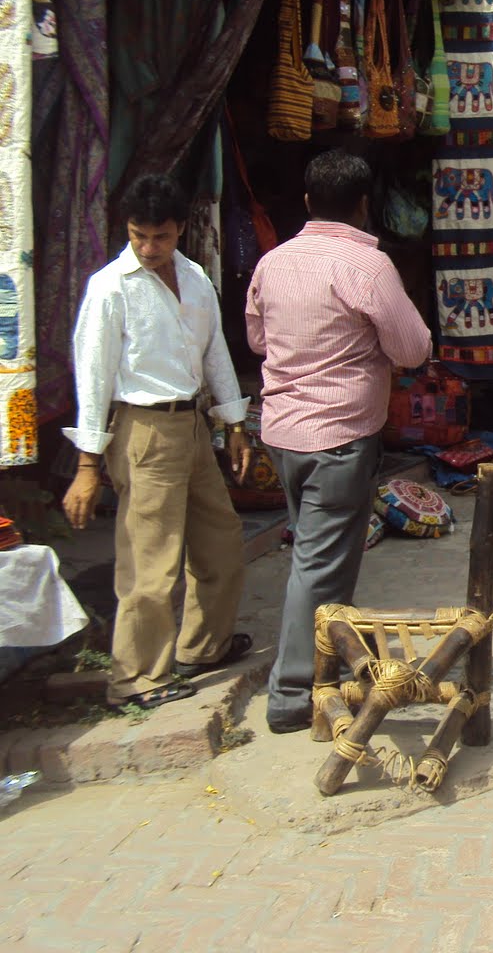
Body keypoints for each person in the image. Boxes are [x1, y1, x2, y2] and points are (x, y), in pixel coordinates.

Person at [246, 152, 432, 734]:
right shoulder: (366, 266)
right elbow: (412, 348)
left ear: (306, 203)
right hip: (339, 435)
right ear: (363, 204)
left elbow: (257, 338)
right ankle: (293, 693)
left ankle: (331, 668)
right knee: (319, 566)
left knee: (320, 555)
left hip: (283, 434)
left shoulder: (272, 263)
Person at [62, 173, 254, 710]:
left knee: (220, 541)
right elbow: (94, 376)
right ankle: (136, 679)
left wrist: (233, 423)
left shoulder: (194, 278)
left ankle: (203, 647)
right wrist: (87, 463)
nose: (149, 248)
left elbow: (215, 351)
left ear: (181, 230)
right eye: (138, 236)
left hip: (191, 425)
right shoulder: (109, 287)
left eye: (160, 237)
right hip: (142, 431)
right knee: (151, 562)